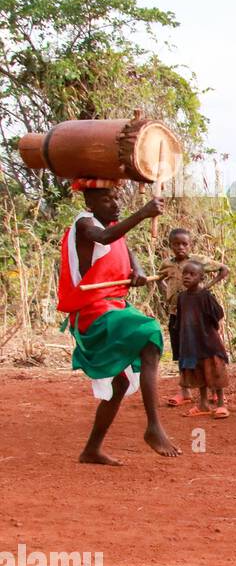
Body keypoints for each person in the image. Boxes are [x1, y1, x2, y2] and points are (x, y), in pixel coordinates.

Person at [57, 179, 179, 463]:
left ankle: (91, 449)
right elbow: (104, 238)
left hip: (111, 306)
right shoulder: (85, 224)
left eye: (117, 196)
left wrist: (136, 273)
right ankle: (153, 426)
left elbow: (126, 252)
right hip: (92, 312)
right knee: (150, 333)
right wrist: (143, 213)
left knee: (121, 384)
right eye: (107, 199)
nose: (116, 203)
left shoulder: (111, 226)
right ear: (90, 203)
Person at [158, 227, 228, 408]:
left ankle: (214, 391)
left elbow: (223, 269)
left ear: (190, 245)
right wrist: (166, 293)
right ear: (170, 245)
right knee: (183, 352)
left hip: (198, 315)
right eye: (176, 244)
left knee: (205, 351)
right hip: (178, 313)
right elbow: (159, 278)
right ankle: (186, 391)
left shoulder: (198, 261)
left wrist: (207, 287)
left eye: (184, 244)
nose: (180, 247)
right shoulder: (167, 263)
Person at [174, 260, 230, 418]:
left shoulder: (205, 295)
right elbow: (180, 320)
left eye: (192, 274)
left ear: (201, 278)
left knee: (215, 372)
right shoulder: (182, 298)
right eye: (185, 273)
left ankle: (220, 404)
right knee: (198, 373)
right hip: (191, 343)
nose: (187, 277)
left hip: (208, 342)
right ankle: (203, 403)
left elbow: (218, 314)